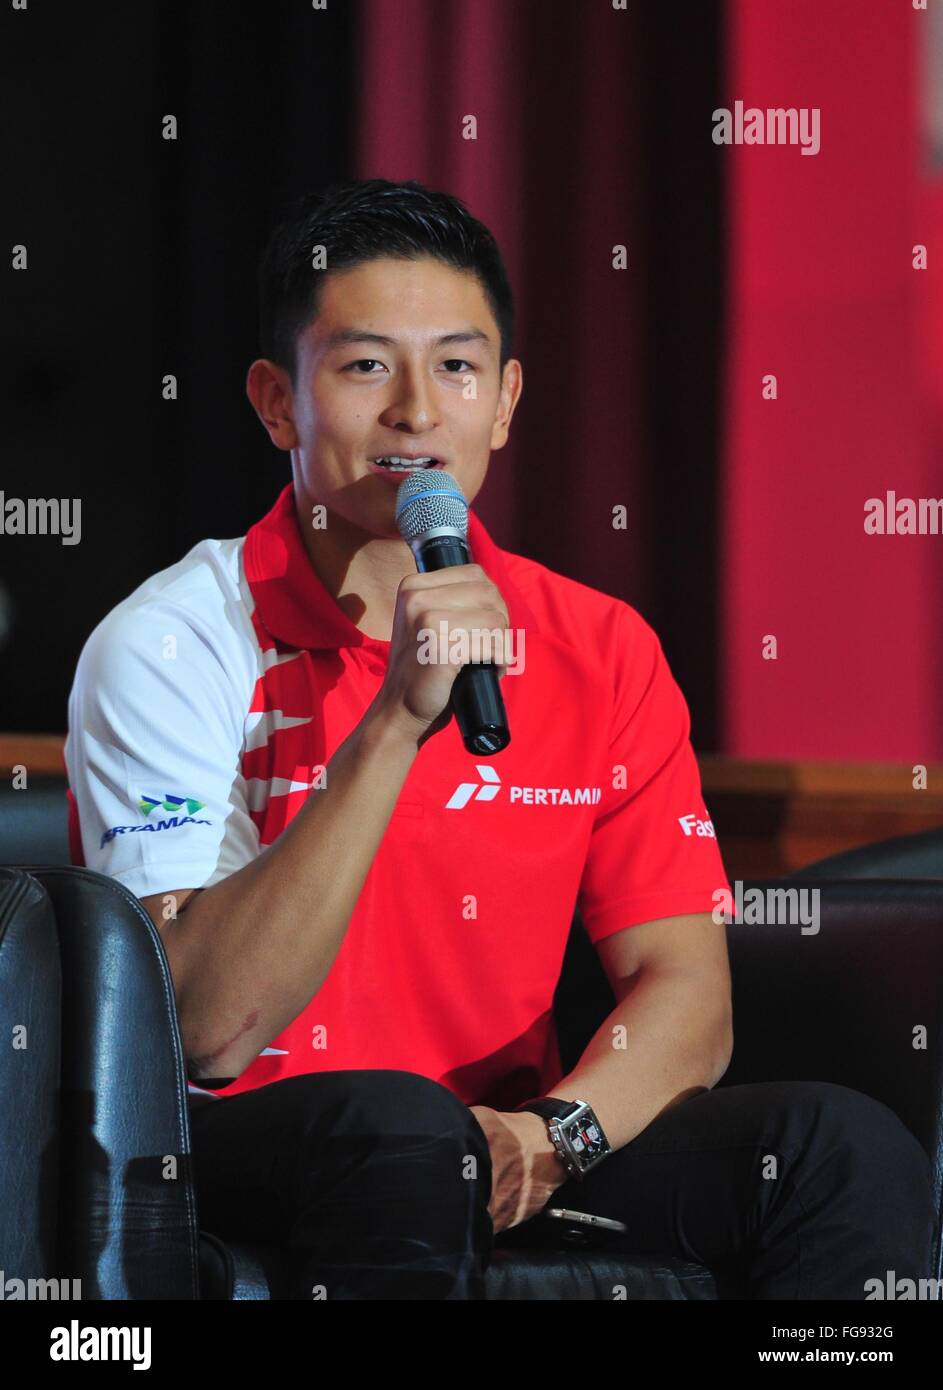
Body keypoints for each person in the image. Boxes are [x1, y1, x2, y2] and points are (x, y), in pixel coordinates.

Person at [64, 178, 937, 1300]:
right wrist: (395, 723)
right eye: (367, 365)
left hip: (493, 1146)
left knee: (834, 1149)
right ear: (279, 403)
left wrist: (555, 1136)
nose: (418, 413)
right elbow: (205, 1030)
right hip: (234, 1145)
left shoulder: (598, 645)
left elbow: (686, 991)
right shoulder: (174, 644)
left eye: (458, 367)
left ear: (507, 400)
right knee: (400, 1130)